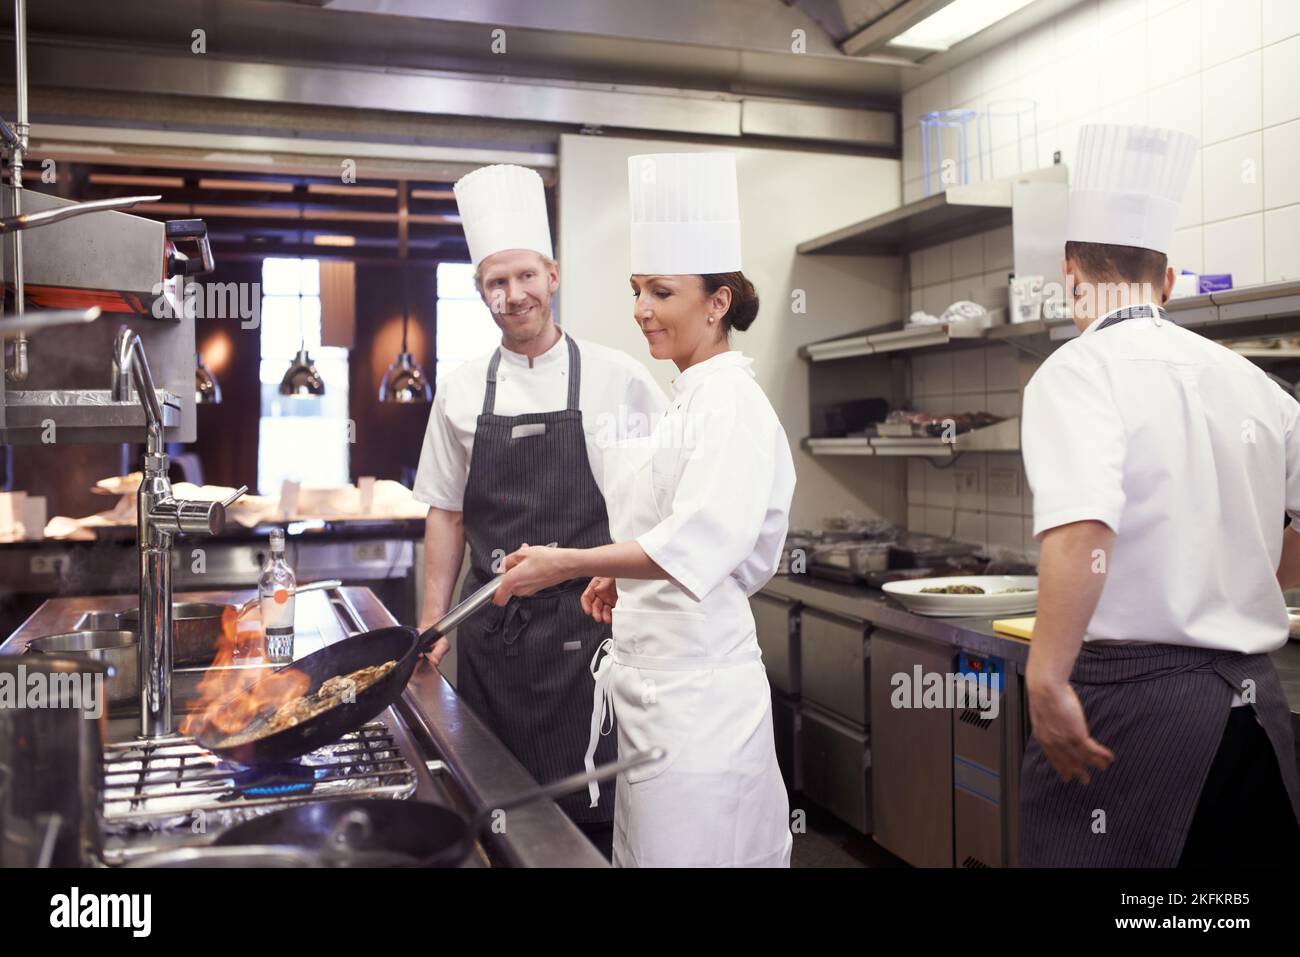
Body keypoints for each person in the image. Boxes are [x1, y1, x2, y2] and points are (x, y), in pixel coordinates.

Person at [494, 152, 795, 867]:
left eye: (661, 291)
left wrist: (567, 563)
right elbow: (667, 528)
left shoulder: (731, 402)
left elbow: (696, 541)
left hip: (700, 706)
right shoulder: (688, 393)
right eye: (636, 290)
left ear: (717, 302)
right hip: (657, 697)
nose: (640, 310)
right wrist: (623, 575)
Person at [1019, 124, 1300, 866]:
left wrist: (1045, 677)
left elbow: (1082, 531)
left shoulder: (1077, 373)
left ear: (1071, 274)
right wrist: (1242, 585)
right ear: (1168, 280)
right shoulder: (1256, 385)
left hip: (1133, 717)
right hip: (1255, 716)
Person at [412, 164, 667, 857]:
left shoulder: (621, 378)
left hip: (591, 629)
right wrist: (433, 624)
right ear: (481, 291)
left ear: (552, 276)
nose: (514, 294)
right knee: (498, 807)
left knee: (590, 810)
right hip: (495, 636)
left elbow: (668, 497)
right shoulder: (461, 391)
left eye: (526, 276)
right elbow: (445, 513)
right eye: (497, 281)